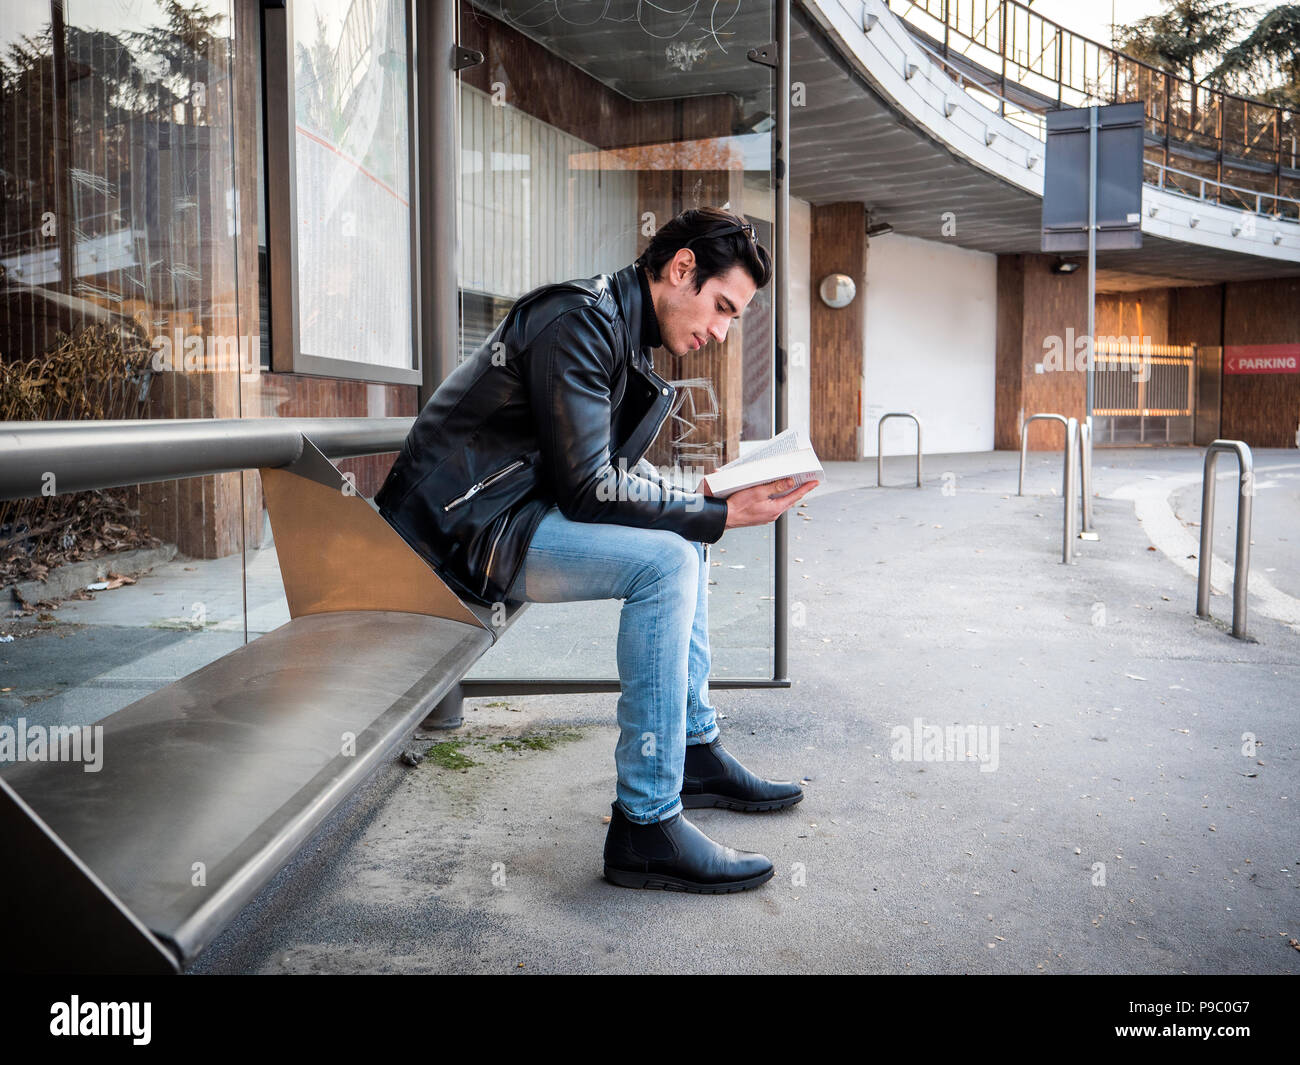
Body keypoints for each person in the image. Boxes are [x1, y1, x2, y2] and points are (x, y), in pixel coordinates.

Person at [375, 207, 818, 893]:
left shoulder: (620, 329)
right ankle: (645, 824)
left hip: (508, 516)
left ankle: (693, 748)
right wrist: (710, 512)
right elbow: (586, 488)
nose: (722, 333)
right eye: (722, 307)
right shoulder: (577, 320)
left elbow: (595, 467)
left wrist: (702, 498)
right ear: (680, 270)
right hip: (455, 537)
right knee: (669, 559)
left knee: (684, 538)